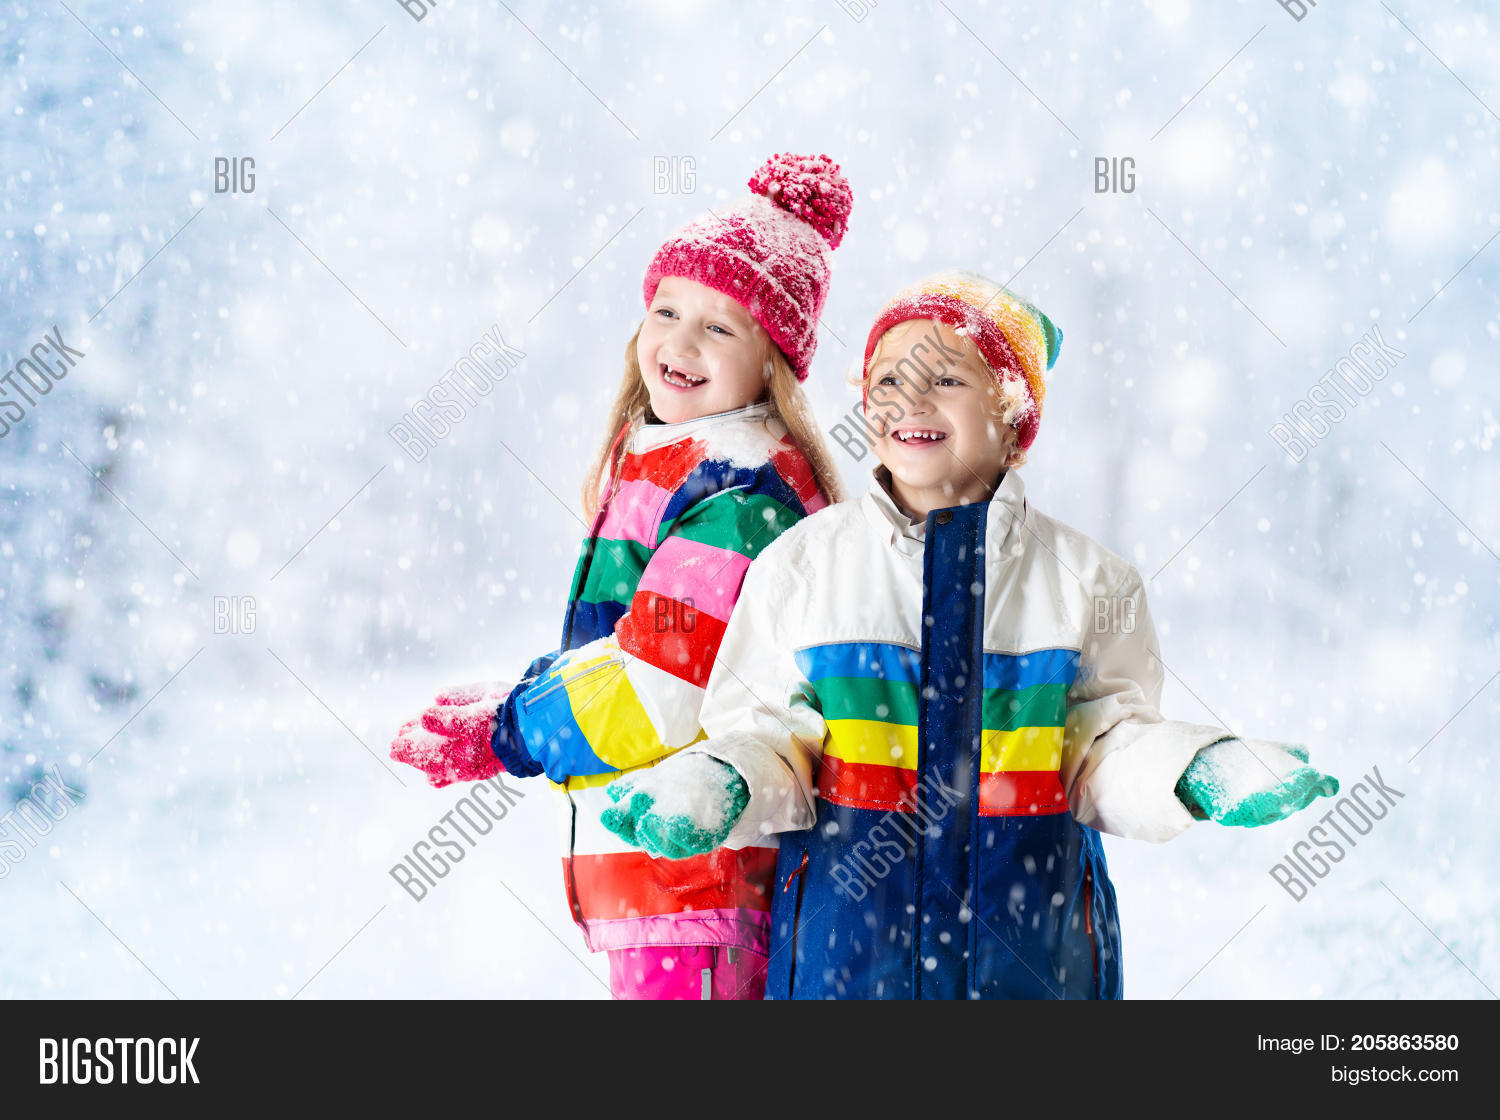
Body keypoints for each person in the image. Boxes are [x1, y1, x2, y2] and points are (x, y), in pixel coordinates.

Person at [601, 270, 1339, 999]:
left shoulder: (1088, 582)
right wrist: (721, 780)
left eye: (947, 378)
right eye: (887, 379)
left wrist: (1195, 768)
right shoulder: (803, 567)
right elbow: (767, 734)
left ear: (1013, 418)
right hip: (848, 967)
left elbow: (1106, 747)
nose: (909, 398)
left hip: (1032, 967)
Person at [388, 153, 853, 999]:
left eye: (721, 326)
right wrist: (528, 700)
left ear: (774, 362)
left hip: (707, 878)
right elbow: (627, 648)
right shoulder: (674, 463)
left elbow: (655, 685)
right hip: (668, 884)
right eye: (667, 309)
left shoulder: (741, 491)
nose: (679, 340)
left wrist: (513, 728)